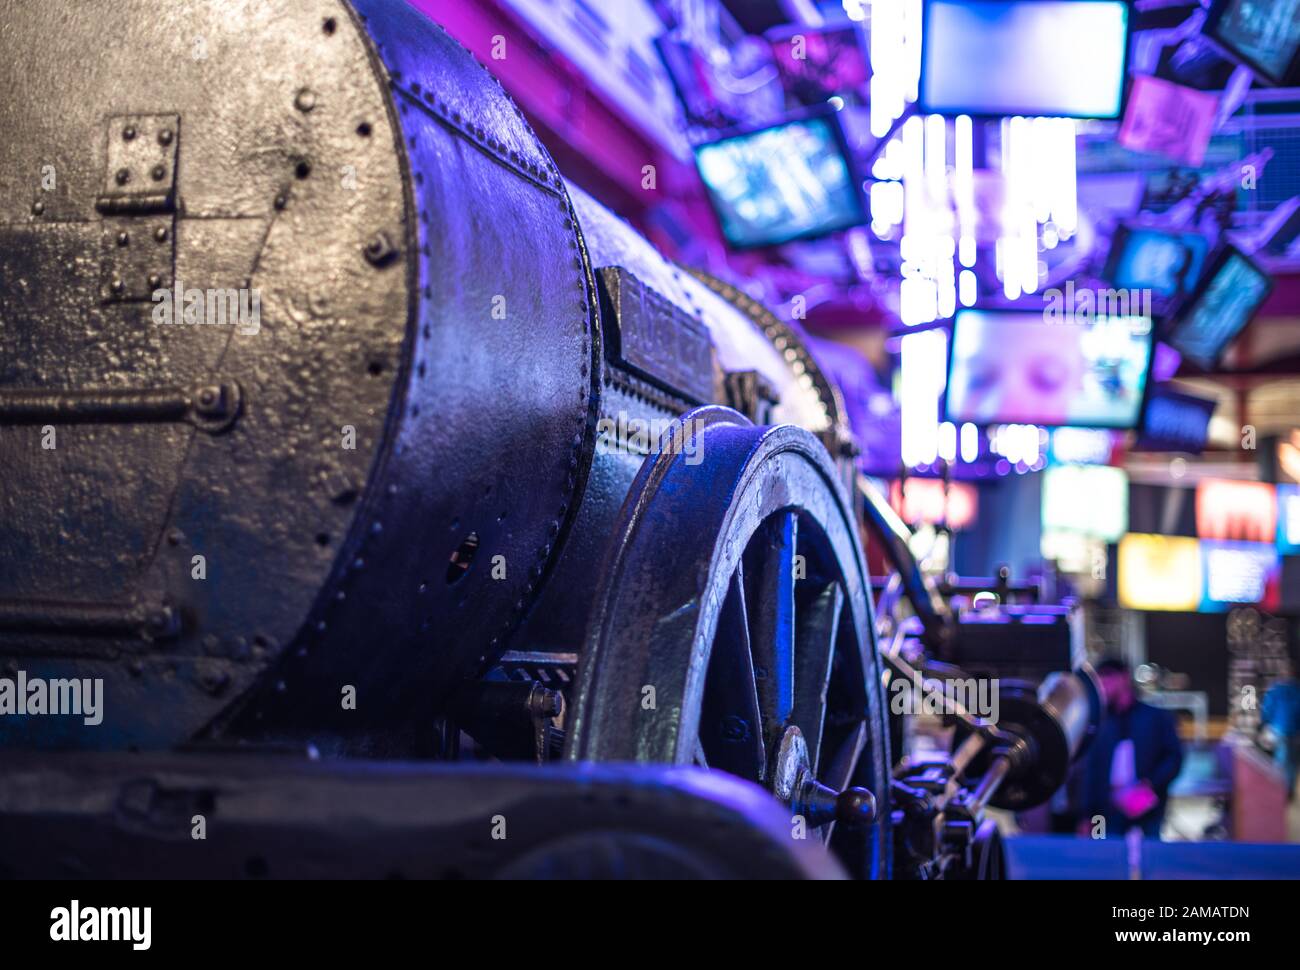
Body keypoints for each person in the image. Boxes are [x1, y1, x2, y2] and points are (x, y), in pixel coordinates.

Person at [1079, 657, 1184, 840]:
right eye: (1100, 679)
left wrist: (1150, 784)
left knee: (1149, 855)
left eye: (1108, 678)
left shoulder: (1156, 717)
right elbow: (1091, 770)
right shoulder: (1100, 722)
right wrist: (1087, 815)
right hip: (1108, 808)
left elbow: (1174, 757)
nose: (1104, 685)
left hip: (1146, 803)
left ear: (1124, 677)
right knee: (1106, 855)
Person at [1261, 662, 1300, 800]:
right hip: (1296, 731)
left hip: (1278, 730)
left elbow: (1267, 710)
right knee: (1293, 763)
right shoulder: (1298, 689)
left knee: (1280, 761)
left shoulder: (1274, 690)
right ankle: (1289, 791)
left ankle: (1279, 789)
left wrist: (1266, 723)